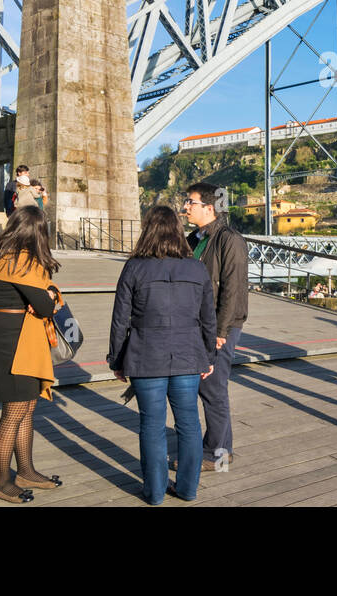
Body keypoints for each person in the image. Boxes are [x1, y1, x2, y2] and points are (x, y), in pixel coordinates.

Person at [108, 205, 216, 504]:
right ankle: (187, 489)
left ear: (148, 230)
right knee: (190, 424)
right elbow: (209, 318)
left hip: (146, 356)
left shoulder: (134, 267)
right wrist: (208, 357)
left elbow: (120, 319)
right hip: (188, 355)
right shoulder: (196, 267)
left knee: (151, 425)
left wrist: (116, 359)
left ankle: (154, 492)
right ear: (178, 232)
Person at [0, 205, 64, 503]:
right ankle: (1, 481)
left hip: (5, 332)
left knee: (25, 407)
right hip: (16, 338)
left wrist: (41, 298)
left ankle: (25, 471)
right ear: (37, 231)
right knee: (14, 412)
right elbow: (45, 306)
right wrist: (50, 295)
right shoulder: (24, 261)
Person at [182, 181, 248, 472]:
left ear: (208, 207)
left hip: (222, 325)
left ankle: (216, 455)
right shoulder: (194, 239)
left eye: (190, 202)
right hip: (198, 324)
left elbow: (232, 289)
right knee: (210, 386)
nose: (185, 207)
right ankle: (222, 448)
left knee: (212, 387)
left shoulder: (229, 239)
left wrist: (220, 332)